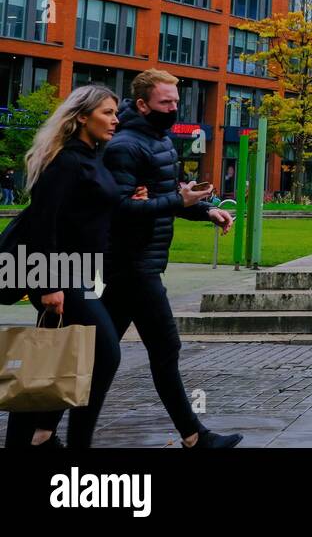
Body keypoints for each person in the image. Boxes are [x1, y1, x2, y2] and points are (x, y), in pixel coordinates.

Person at [101, 69, 242, 449]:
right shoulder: (125, 147)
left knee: (102, 354)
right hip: (132, 263)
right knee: (164, 349)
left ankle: (43, 431)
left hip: (144, 261)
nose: (174, 108)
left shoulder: (158, 140)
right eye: (166, 103)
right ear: (143, 104)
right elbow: (121, 209)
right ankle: (195, 436)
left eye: (176, 102)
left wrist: (205, 209)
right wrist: (181, 202)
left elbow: (165, 198)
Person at [3, 85, 138, 448]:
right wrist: (47, 285)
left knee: (46, 364)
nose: (115, 119)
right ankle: (52, 437)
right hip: (56, 272)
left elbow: (90, 207)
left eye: (115, 113)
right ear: (82, 116)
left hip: (78, 271)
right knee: (104, 354)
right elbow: (43, 224)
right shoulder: (63, 160)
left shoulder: (92, 155)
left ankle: (36, 437)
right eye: (107, 113)